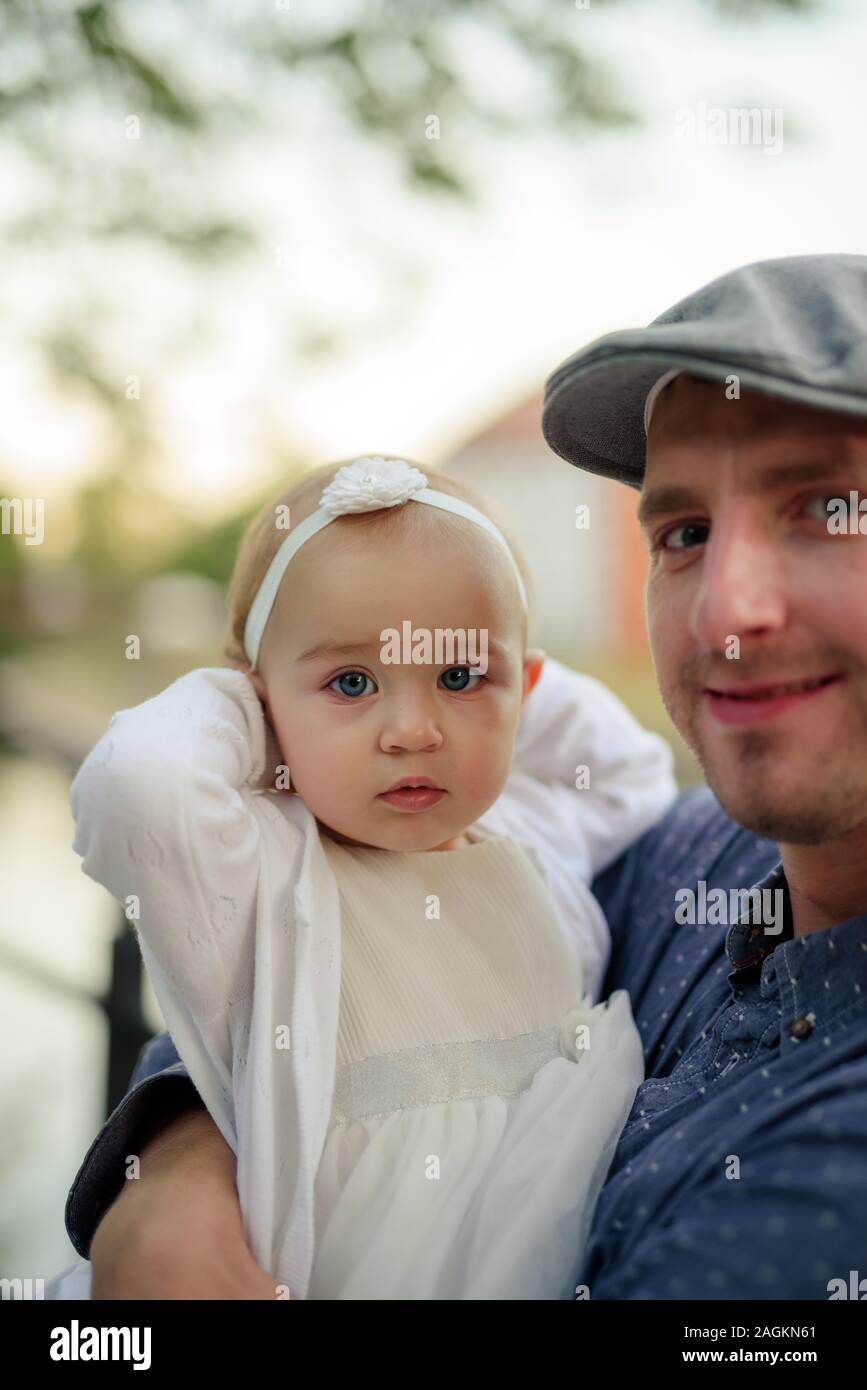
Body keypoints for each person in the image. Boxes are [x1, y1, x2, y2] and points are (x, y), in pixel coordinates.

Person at [60, 253, 867, 1301]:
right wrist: (178, 1159)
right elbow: (339, 969)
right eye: (684, 531)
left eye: (833, 507)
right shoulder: (675, 864)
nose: (723, 610)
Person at [45, 456, 677, 1300]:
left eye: (458, 676)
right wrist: (256, 710)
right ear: (260, 704)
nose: (413, 731)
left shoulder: (538, 828)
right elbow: (137, 783)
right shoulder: (263, 878)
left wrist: (506, 666)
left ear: (525, 691)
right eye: (351, 682)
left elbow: (632, 771)